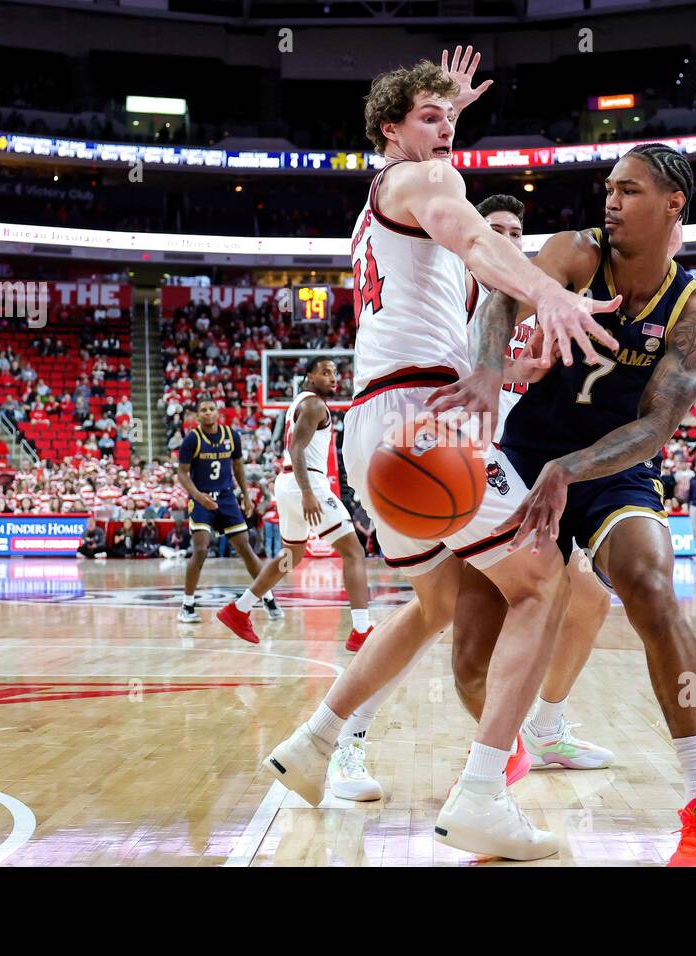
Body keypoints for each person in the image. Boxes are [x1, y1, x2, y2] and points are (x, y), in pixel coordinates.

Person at [261, 48, 622, 862]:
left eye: (451, 120)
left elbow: (452, 270)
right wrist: (547, 290)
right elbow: (477, 244)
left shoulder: (382, 203)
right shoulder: (427, 183)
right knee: (541, 585)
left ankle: (317, 742)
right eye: (429, 118)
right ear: (388, 129)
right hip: (423, 423)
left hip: (378, 425)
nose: (446, 131)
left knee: (432, 606)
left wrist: (503, 365)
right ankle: (484, 795)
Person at [430, 143, 696, 866]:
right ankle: (499, 777)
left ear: (673, 204)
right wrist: (487, 370)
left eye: (629, 190)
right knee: (469, 656)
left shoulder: (694, 314)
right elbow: (501, 298)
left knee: (649, 586)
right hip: (520, 458)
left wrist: (570, 470)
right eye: (608, 187)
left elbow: (655, 427)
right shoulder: (575, 251)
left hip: (611, 471)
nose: (610, 200)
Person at [444, 193, 616, 772]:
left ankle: (541, 730)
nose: (507, 241)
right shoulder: (459, 292)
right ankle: (348, 735)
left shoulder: (533, 296)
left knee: (587, 601)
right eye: (493, 230)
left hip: (515, 467)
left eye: (516, 232)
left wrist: (528, 370)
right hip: (466, 465)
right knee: (434, 614)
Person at [218, 357, 375, 652]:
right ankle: (361, 629)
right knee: (354, 552)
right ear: (308, 376)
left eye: (335, 373)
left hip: (288, 482)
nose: (332, 377)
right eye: (325, 372)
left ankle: (240, 609)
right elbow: (296, 448)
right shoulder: (315, 405)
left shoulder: (299, 403)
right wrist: (308, 492)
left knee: (293, 553)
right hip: (306, 483)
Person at [176, 397, 278, 622]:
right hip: (202, 498)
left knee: (245, 548)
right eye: (203, 410)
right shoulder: (192, 440)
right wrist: (197, 496)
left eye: (211, 409)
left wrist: (246, 495)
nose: (208, 413)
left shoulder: (231, 436)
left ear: (218, 412)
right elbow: (182, 473)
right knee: (201, 548)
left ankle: (268, 598)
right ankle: (187, 605)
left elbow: (238, 466)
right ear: (197, 415)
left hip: (226, 497)